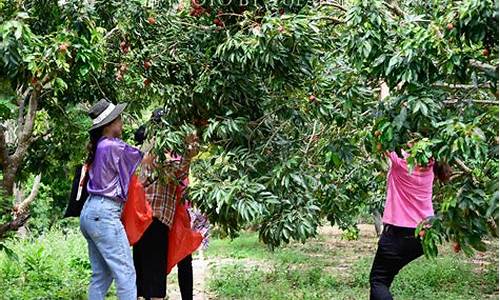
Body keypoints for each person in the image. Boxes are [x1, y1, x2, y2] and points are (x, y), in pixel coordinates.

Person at [79, 99, 151, 300]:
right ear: (109, 124)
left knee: (101, 276)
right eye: (119, 120)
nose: (122, 123)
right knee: (126, 274)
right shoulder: (113, 145)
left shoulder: (101, 145)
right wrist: (155, 135)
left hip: (90, 213)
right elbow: (144, 157)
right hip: (104, 214)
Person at [132, 112, 200, 300]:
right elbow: (177, 173)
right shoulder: (160, 152)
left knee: (143, 275)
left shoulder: (146, 150)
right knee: (155, 276)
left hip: (143, 219)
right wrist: (189, 153)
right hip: (155, 219)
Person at [369, 148, 451, 300]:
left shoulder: (401, 161)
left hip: (397, 235)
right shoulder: (431, 162)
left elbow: (383, 138)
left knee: (378, 281)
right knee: (383, 281)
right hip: (423, 236)